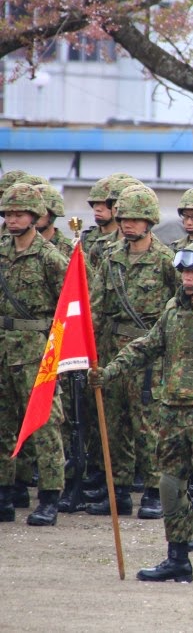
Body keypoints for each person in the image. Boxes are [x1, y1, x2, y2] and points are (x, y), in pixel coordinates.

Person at [89, 240, 193, 587]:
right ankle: (177, 559)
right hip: (171, 411)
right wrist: (108, 371)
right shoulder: (174, 309)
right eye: (184, 270)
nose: (187, 277)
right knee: (170, 486)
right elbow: (147, 346)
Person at [88, 184, 177, 520]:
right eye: (124, 218)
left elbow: (177, 307)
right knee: (115, 422)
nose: (128, 225)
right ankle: (120, 490)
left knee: (148, 424)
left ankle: (153, 491)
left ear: (149, 221)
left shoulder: (165, 260)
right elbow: (98, 306)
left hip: (150, 354)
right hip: (113, 350)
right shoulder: (111, 260)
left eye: (136, 219)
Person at [0, 183, 68, 526]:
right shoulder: (0, 252)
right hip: (2, 346)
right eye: (8, 214)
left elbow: (69, 309)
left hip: (37, 350)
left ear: (35, 216)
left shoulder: (51, 258)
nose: (13, 220)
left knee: (44, 423)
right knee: (2, 424)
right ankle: (4, 493)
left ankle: (50, 497)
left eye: (19, 214)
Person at [81, 174, 142, 270]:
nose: (98, 208)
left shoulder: (155, 250)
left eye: (104, 204)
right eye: (95, 203)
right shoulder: (93, 243)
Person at [34, 184, 73, 257]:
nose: (34, 216)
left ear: (53, 214)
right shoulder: (15, 246)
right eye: (30, 212)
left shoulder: (70, 250)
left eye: (40, 211)